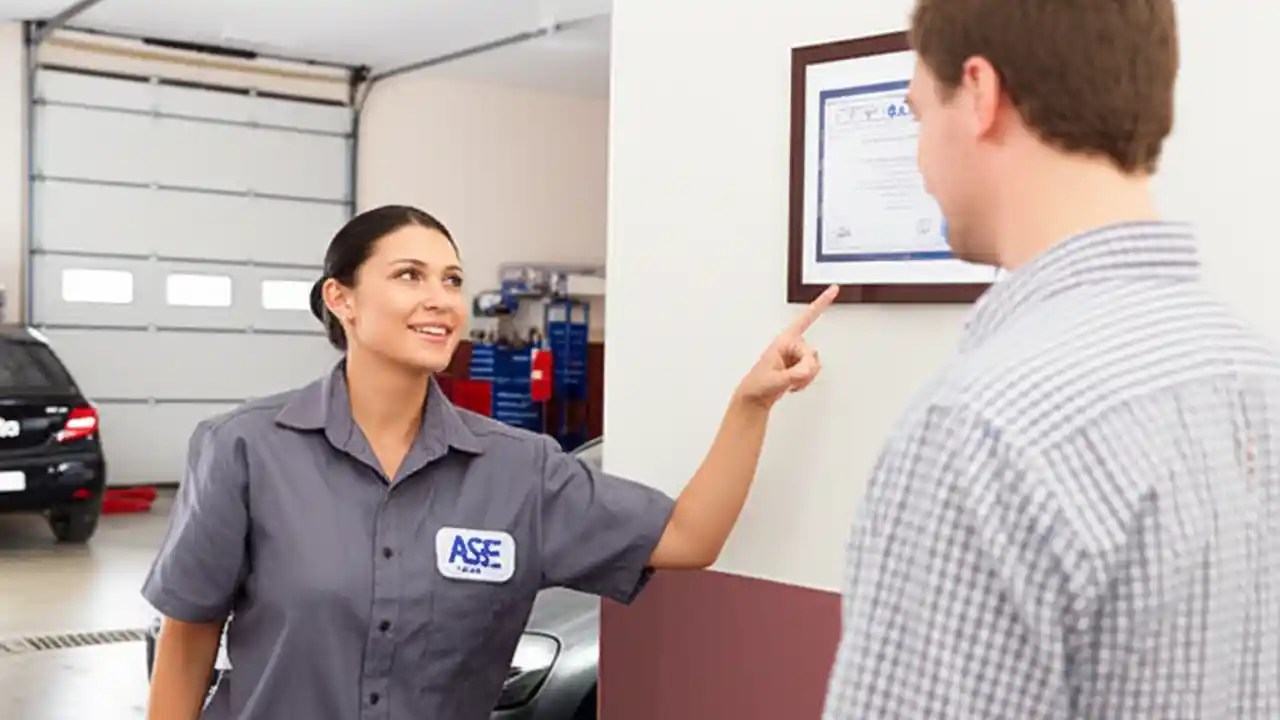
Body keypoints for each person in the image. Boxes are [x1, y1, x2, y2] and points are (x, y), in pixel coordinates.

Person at [143, 204, 837, 720]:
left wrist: (751, 404)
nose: (439, 299)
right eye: (409, 276)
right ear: (342, 298)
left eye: (450, 280)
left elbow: (690, 536)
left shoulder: (519, 470)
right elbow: (187, 641)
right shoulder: (246, 448)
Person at [823, 1, 1278, 718]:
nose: (919, 157)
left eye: (916, 115)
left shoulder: (978, 434)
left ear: (979, 94)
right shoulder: (1258, 378)